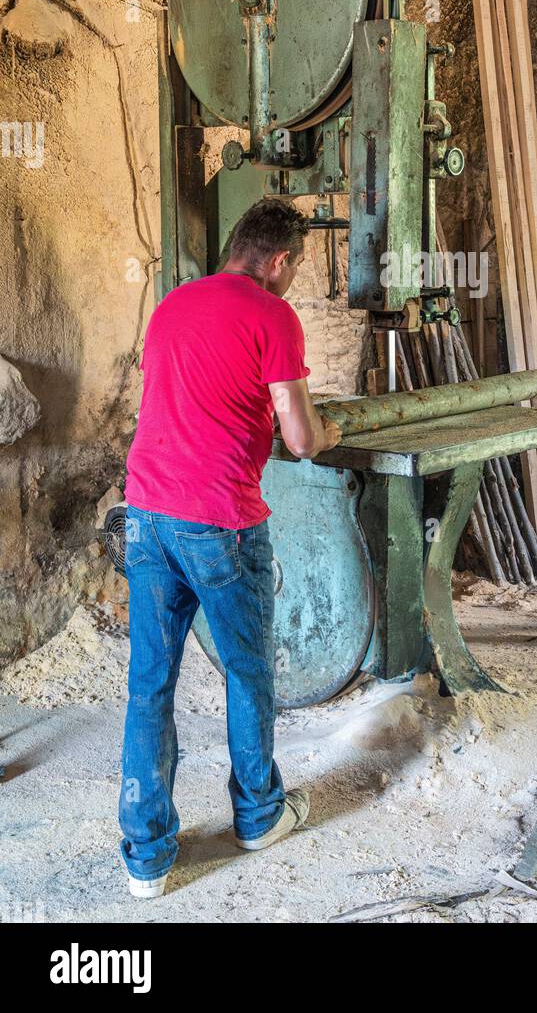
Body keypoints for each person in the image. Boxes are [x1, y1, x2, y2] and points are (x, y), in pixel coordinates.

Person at [118, 197, 341, 899]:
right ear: (277, 261)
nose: (291, 281)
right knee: (248, 675)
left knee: (149, 685)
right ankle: (257, 815)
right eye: (294, 268)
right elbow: (301, 439)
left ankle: (146, 860)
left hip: (146, 515)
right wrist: (329, 429)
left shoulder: (173, 303)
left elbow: (190, 399)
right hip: (218, 521)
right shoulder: (272, 314)